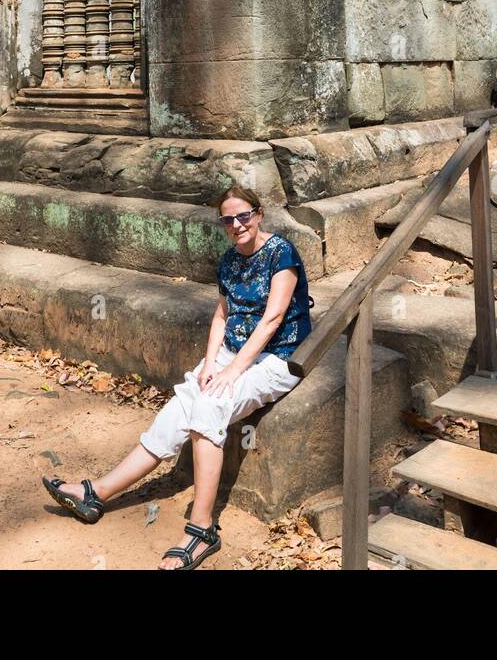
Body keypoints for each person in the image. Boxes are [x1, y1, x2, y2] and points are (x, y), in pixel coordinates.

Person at [42, 184, 313, 570]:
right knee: (177, 410)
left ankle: (202, 529)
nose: (237, 224)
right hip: (232, 350)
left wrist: (233, 371)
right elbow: (222, 316)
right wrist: (208, 364)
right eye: (228, 219)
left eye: (244, 216)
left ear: (259, 213)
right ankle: (97, 493)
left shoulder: (280, 252)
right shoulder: (229, 260)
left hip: (277, 356)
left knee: (210, 407)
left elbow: (271, 319)